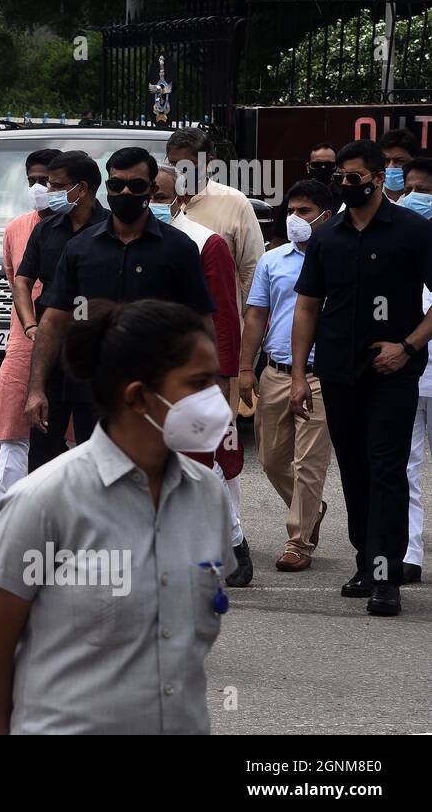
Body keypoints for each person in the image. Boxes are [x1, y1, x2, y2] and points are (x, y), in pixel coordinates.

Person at [0, 300, 229, 734]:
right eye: (198, 384)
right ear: (140, 397)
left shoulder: (207, 495)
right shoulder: (44, 502)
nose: (215, 400)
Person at [291, 139, 432, 617]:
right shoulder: (328, 237)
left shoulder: (412, 230)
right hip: (337, 370)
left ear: (376, 178)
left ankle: (386, 575)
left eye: (354, 178)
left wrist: (408, 345)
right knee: (354, 469)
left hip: (392, 371)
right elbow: (307, 307)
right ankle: (366, 560)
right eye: (341, 179)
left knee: (386, 467)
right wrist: (297, 374)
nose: (346, 185)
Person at [25, 147, 216, 458]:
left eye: (136, 185)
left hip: (158, 392)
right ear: (107, 187)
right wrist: (36, 389)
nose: (125, 192)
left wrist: (206, 390)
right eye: (117, 185)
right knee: (98, 482)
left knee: (151, 483)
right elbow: (54, 320)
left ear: (152, 189)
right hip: (92, 392)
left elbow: (201, 322)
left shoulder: (178, 249)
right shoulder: (80, 248)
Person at [153, 162, 252, 586]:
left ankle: (233, 542)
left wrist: (222, 375)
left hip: (192, 374)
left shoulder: (203, 242)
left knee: (207, 459)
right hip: (138, 374)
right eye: (142, 191)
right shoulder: (116, 241)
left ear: (178, 198)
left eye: (158, 194)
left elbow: (223, 317)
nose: (149, 201)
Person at [240, 179, 336, 573]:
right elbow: (256, 315)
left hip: (322, 374)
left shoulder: (338, 257)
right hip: (275, 372)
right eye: (291, 211)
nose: (295, 218)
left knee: (308, 462)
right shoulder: (272, 260)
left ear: (325, 217)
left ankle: (298, 541)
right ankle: (312, 509)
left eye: (305, 212)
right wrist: (246, 367)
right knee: (270, 458)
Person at [0, 149, 60, 537]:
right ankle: (1, 509)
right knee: (13, 424)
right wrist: (28, 325)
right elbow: (15, 280)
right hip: (26, 337)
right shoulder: (16, 228)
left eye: (48, 181)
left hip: (70, 338)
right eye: (33, 181)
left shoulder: (89, 228)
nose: (39, 188)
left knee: (69, 430)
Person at [14, 150, 109, 471]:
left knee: (94, 444)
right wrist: (30, 325)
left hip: (94, 354)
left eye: (55, 186)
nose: (48, 192)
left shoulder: (110, 228)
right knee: (42, 442)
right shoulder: (46, 229)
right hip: (49, 349)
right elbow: (22, 280)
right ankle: (42, 517)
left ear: (80, 189)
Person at [165, 127, 263, 307]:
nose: (179, 172)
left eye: (186, 165)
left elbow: (252, 272)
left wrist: (248, 325)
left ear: (209, 163)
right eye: (173, 165)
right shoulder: (157, 204)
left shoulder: (235, 203)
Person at [397, 157, 432, 584]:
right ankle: (409, 552)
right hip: (408, 371)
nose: (415, 198)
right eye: (411, 189)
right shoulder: (401, 241)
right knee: (404, 465)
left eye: (424, 191)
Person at [378, 127, 418, 203]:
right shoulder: (369, 197)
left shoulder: (425, 200)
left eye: (399, 161)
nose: (390, 166)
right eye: (386, 160)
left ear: (414, 160)